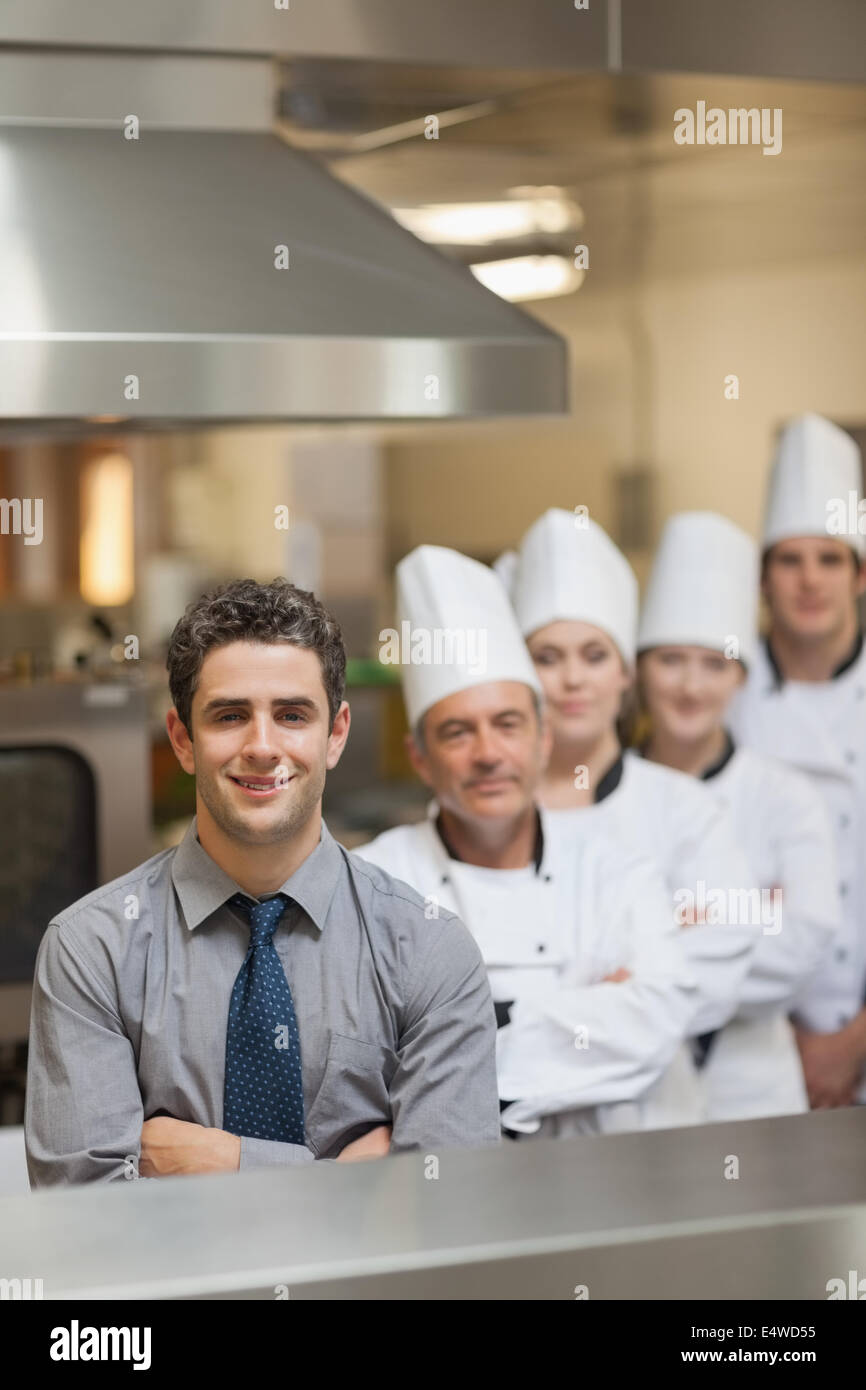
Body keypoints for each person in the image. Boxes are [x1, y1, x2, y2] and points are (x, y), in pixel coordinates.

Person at [25, 578, 501, 1186]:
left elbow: (450, 1207)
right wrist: (355, 1178)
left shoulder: (429, 947)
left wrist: (225, 1164)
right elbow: (86, 1223)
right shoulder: (92, 950)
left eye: (292, 715)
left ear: (335, 734)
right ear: (182, 739)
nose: (262, 746)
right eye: (229, 716)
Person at [356, 544, 698, 1139]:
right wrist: (581, 1008)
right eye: (457, 732)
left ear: (543, 739)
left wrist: (459, 1033)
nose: (488, 754)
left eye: (508, 725)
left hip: (607, 1185)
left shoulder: (617, 872)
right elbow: (360, 1059)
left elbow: (660, 1020)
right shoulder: (372, 883)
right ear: (421, 759)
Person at [500, 509, 760, 1060]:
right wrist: (626, 983)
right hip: (512, 1130)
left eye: (595, 656)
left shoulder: (687, 810)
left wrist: (536, 1010)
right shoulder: (489, 813)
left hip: (659, 1117)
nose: (573, 679)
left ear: (624, 674)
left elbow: (714, 970)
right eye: (548, 657)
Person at [636, 510, 840, 1120]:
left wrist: (649, 951)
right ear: (638, 670)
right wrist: (748, 912)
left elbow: (804, 946)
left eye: (714, 665)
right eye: (671, 660)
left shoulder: (787, 796)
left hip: (758, 1091)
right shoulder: (603, 793)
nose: (691, 687)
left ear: (740, 678)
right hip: (639, 1093)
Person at [729, 413, 866, 1107]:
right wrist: (785, 1042)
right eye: (789, 559)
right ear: (762, 578)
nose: (810, 579)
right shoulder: (720, 694)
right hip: (750, 1042)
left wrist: (851, 1047)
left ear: (860, 574)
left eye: (830, 558)